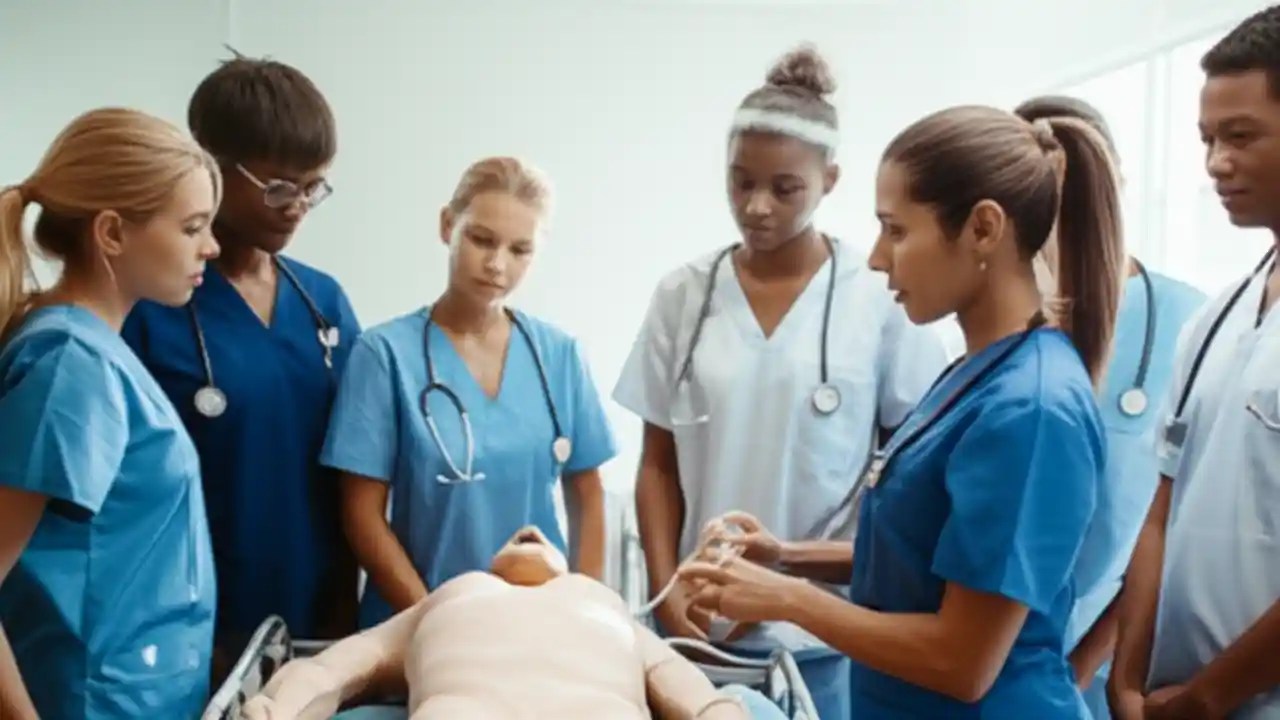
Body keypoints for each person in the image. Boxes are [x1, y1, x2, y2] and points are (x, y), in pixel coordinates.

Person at [679, 104, 1128, 718]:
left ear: (983, 230)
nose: (876, 258)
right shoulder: (977, 374)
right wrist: (783, 554)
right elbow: (924, 558)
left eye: (896, 230)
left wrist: (787, 599)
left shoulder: (1032, 409)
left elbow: (962, 662)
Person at [612, 44, 949, 719]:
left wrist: (808, 571)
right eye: (740, 182)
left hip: (827, 631)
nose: (757, 206)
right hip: (693, 630)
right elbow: (657, 463)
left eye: (784, 188)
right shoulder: (684, 294)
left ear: (830, 179)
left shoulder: (881, 297)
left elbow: (909, 479)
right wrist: (668, 589)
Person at [120, 54, 362, 679]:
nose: (298, 205)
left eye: (314, 187)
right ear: (212, 167)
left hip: (323, 620)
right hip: (189, 626)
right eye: (280, 186)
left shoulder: (324, 302)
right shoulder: (153, 309)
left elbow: (357, 475)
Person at [322, 156, 616, 629]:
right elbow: (361, 514)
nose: (497, 265)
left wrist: (584, 611)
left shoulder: (558, 356)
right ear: (447, 226)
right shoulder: (384, 355)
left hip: (537, 623)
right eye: (481, 240)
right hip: (416, 618)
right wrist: (431, 621)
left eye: (520, 250)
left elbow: (588, 492)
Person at [0, 108, 220, 718]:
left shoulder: (98, 352)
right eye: (193, 227)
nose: (212, 246)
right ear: (112, 233)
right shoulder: (71, 363)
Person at [1013, 95, 1208, 719]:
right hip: (995, 656)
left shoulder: (1188, 322)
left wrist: (1082, 667)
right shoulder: (1004, 323)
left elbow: (1172, 525)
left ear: (1116, 184)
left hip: (1107, 673)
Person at [1109, 9, 1280, 719]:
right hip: (1171, 699)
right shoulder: (1216, 319)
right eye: (1208, 139)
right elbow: (1161, 511)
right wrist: (1125, 678)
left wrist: (1210, 698)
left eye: (1239, 136)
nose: (1216, 162)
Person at [236, 525, 790, 720]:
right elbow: (332, 670)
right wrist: (274, 710)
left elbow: (691, 692)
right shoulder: (446, 599)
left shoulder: (602, 603)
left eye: (544, 535)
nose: (528, 530)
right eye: (515, 535)